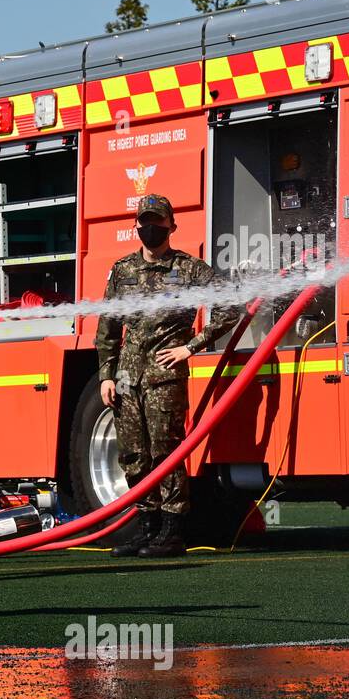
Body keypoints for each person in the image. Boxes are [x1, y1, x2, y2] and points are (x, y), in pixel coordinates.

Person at [95, 193, 241, 558]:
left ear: (171, 227)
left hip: (165, 375)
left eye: (157, 222)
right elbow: (108, 326)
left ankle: (172, 532)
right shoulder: (122, 269)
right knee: (132, 454)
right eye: (144, 221)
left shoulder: (190, 270)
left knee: (166, 452)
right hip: (127, 376)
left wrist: (191, 346)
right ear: (136, 226)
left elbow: (229, 309)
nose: (150, 228)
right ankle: (146, 528)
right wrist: (106, 375)